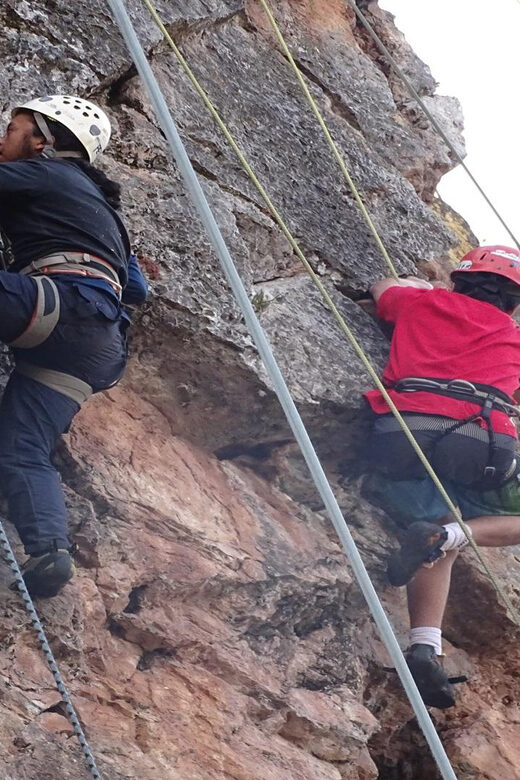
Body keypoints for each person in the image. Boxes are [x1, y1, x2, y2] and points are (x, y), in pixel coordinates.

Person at [0, 95, 147, 598]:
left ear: (42, 140)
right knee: (21, 448)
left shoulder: (47, 174)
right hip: (95, 345)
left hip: (59, 306)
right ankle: (48, 553)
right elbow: (137, 290)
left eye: (12, 128)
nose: (5, 138)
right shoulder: (105, 212)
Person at [364, 246, 520, 708]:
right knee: (451, 532)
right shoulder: (513, 335)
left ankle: (424, 648)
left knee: (436, 528)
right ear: (513, 303)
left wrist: (424, 288)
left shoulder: (422, 303)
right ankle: (453, 534)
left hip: (399, 433)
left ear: (459, 281)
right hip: (480, 445)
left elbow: (382, 288)